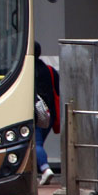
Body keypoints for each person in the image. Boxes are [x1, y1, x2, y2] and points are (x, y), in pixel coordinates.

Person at [34, 41, 60, 185]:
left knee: (36, 144)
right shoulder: (49, 70)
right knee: (38, 144)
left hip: (35, 114)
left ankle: (45, 169)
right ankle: (37, 171)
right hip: (49, 114)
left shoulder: (27, 70)